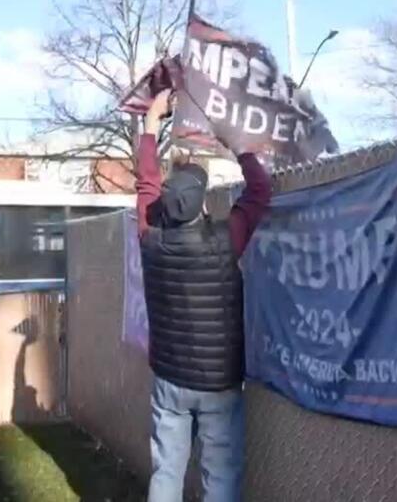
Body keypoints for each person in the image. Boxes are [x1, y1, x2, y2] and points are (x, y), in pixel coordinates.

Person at [136, 89, 271, 501]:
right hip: (218, 383)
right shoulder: (225, 238)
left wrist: (150, 124)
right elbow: (260, 190)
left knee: (166, 473)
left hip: (170, 379)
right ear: (202, 204)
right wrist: (236, 143)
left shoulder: (150, 239)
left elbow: (145, 184)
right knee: (220, 479)